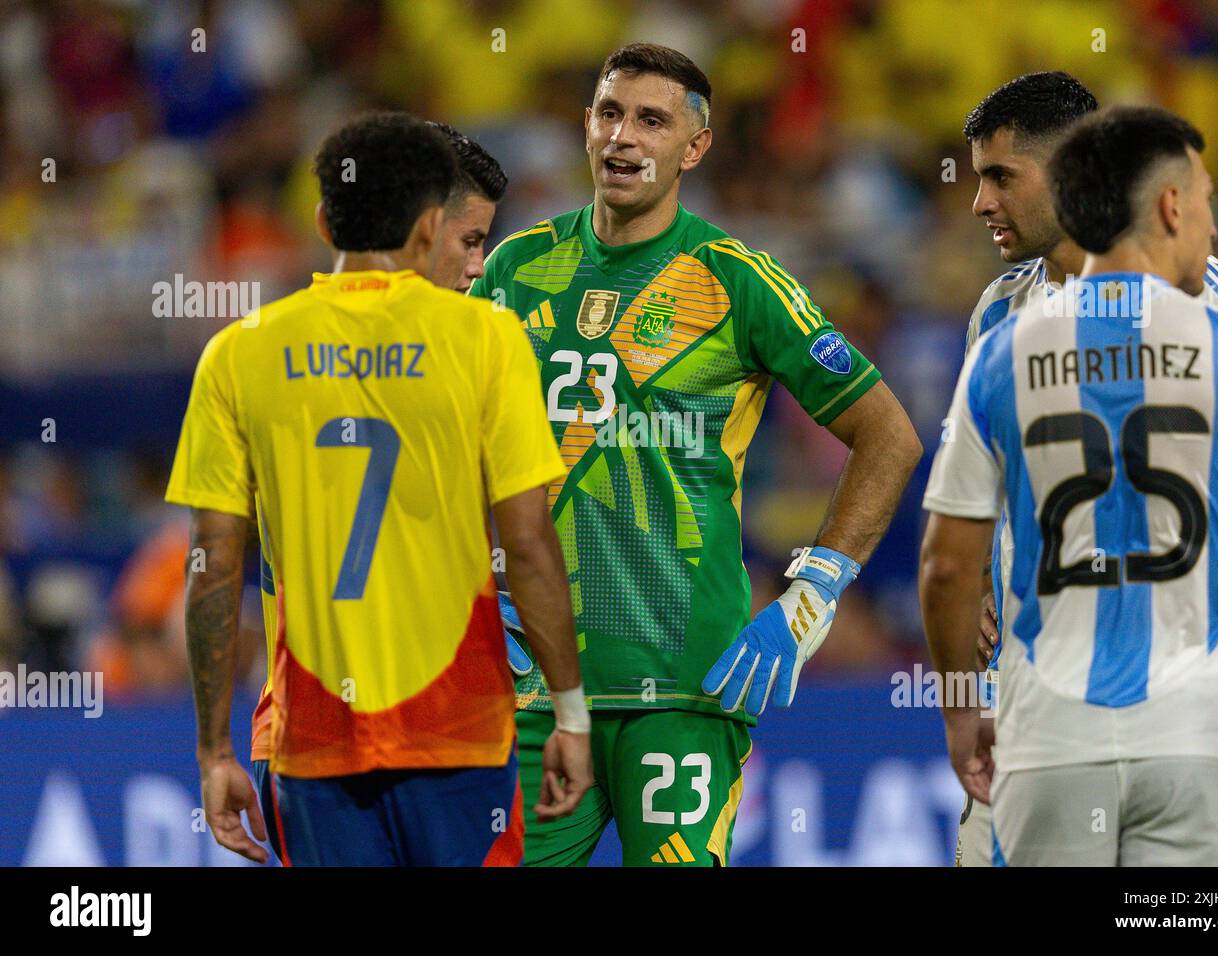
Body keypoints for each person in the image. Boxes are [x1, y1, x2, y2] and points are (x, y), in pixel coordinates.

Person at [469, 42, 921, 866]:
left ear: (695, 147)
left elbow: (889, 435)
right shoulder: (514, 268)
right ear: (584, 127)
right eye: (609, 114)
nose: (624, 138)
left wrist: (812, 597)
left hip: (683, 686)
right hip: (533, 686)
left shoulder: (737, 281)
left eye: (651, 120)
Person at [167, 111, 591, 866]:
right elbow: (527, 542)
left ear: (325, 219)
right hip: (459, 735)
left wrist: (211, 751)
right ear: (429, 228)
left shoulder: (237, 354)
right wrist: (570, 714)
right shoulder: (487, 341)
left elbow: (213, 566)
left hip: (311, 743)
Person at [922, 105, 1218, 866]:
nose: (980, 201)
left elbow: (942, 562)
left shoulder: (1007, 348)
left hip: (1050, 732)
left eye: (1000, 176)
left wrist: (960, 707)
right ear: (1168, 206)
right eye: (1206, 207)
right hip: (1197, 736)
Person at [243, 120, 516, 864]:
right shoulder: (476, 357)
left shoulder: (269, 350)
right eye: (467, 241)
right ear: (422, 230)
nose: (476, 266)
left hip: (309, 730)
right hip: (436, 734)